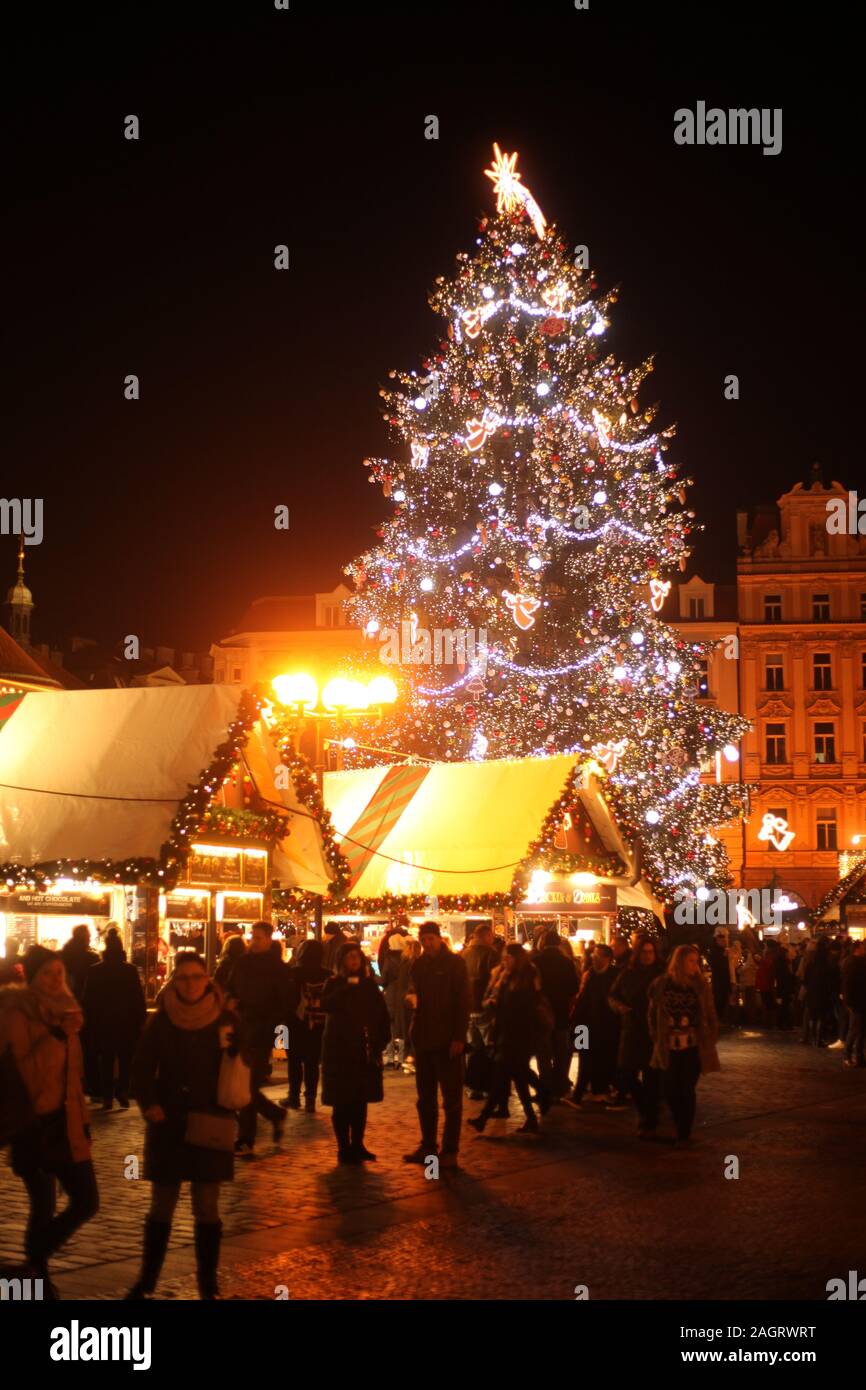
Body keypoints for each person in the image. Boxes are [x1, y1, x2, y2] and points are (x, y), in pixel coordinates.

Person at [128, 953, 238, 1299]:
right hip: (169, 1122)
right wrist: (150, 1106)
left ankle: (209, 1285)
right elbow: (141, 1068)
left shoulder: (225, 1019)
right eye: (183, 978)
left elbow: (241, 1065)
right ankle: (146, 1282)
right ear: (174, 982)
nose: (191, 984)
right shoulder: (161, 1021)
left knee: (207, 1205)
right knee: (162, 1205)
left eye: (196, 977)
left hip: (210, 1118)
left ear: (208, 979)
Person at [1, 946, 99, 1296]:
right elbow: (25, 1067)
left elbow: (74, 1076)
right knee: (46, 1202)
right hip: (34, 1124)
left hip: (67, 1121)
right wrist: (56, 1034)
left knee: (84, 1200)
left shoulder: (70, 1010)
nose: (56, 979)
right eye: (48, 973)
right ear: (31, 975)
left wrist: (84, 1118)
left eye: (59, 972)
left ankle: (32, 1265)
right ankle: (36, 1277)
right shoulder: (17, 1010)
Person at [402, 921, 471, 1169]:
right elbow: (412, 990)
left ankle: (450, 1150)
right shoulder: (419, 965)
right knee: (425, 1098)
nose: (427, 943)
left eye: (431, 939)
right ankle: (428, 1146)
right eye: (424, 939)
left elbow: (463, 1002)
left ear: (439, 939)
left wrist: (459, 1037)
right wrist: (411, 1001)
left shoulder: (455, 964)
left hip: (447, 1040)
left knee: (451, 1099)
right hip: (424, 1038)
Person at [319, 942, 391, 1163]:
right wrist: (345, 988)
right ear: (342, 961)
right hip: (338, 1050)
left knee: (360, 1100)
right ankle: (344, 1147)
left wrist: (379, 1040)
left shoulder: (368, 985)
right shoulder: (333, 983)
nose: (354, 962)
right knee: (342, 1101)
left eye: (356, 958)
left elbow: (380, 1013)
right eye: (349, 958)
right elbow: (326, 1005)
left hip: (363, 1048)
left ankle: (358, 1144)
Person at [468, 944, 550, 1135]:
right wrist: (492, 1002)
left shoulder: (528, 976)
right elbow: (496, 1000)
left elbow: (529, 1005)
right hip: (506, 1032)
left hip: (521, 1033)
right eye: (503, 958)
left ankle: (484, 1117)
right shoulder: (505, 976)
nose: (504, 961)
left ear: (517, 958)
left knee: (502, 1075)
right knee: (518, 1076)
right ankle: (533, 1113)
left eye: (508, 958)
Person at [223, 920, 289, 1154]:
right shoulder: (242, 963)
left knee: (248, 1085)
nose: (254, 940)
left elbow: (284, 1003)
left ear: (269, 939)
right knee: (244, 1084)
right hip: (242, 1029)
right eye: (253, 936)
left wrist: (278, 1037)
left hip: (262, 1031)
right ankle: (274, 1114)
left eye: (259, 937)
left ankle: (247, 1139)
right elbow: (230, 987)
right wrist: (231, 1003)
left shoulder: (278, 967)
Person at [648, 944, 720, 1149]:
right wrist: (655, 1035)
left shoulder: (700, 985)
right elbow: (652, 1013)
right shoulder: (662, 984)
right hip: (668, 1046)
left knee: (686, 1089)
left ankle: (683, 1132)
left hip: (692, 1046)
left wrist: (711, 1035)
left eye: (696, 961)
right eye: (691, 961)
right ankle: (680, 1125)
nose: (695, 965)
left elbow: (709, 1012)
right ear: (679, 962)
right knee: (670, 1089)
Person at [81, 928, 146, 1110]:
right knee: (126, 1060)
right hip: (126, 1024)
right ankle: (123, 1092)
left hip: (103, 1024)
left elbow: (88, 1000)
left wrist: (90, 1022)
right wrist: (140, 1021)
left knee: (107, 1060)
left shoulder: (95, 971)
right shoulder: (130, 970)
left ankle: (107, 1095)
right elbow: (137, 998)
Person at [608, 934, 664, 1137]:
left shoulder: (661, 974)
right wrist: (619, 1007)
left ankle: (649, 1120)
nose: (648, 956)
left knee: (652, 1079)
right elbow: (613, 995)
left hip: (653, 1032)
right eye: (644, 952)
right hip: (632, 1029)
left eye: (651, 952)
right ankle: (646, 1112)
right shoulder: (628, 973)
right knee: (627, 1074)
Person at [282, 938, 330, 1111]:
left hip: (293, 1023)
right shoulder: (327, 975)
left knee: (293, 1061)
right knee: (312, 1062)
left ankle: (293, 1096)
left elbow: (286, 1000)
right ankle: (310, 1098)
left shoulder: (293, 973)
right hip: (317, 1025)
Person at [532, 930, 579, 1101]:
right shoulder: (566, 963)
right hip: (561, 1013)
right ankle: (559, 1086)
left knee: (543, 1054)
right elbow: (574, 988)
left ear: (542, 943)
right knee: (562, 1053)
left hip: (542, 1014)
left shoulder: (536, 961)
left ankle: (545, 1087)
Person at [570, 943, 619, 1106]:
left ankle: (598, 1090)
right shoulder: (589, 974)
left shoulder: (614, 976)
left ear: (607, 958)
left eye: (598, 956)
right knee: (584, 1058)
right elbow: (581, 998)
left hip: (604, 1026)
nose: (594, 958)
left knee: (601, 1059)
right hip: (583, 1025)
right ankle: (579, 1093)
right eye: (593, 955)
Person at [463, 921, 499, 1099]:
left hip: (468, 1007)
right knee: (489, 1047)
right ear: (486, 936)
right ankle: (488, 1084)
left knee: (473, 1048)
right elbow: (495, 982)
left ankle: (472, 1085)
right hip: (485, 1008)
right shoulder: (491, 954)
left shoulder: (464, 955)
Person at [379, 927, 409, 1067]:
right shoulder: (407, 958)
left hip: (391, 993)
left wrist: (373, 976)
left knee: (390, 1025)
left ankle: (390, 1057)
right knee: (403, 1026)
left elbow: (384, 979)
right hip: (403, 993)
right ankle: (402, 1058)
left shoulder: (388, 958)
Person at [803, 937, 837, 1047]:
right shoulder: (828, 964)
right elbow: (831, 980)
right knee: (822, 1018)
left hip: (812, 993)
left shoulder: (811, 963)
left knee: (813, 1017)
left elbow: (805, 980)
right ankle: (820, 1039)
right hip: (823, 994)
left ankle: (813, 1038)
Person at [396, 936, 421, 1075]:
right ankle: (411, 1059)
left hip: (402, 1000)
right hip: (412, 1000)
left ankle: (407, 1059)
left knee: (406, 1031)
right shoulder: (416, 963)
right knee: (414, 1031)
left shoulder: (403, 963)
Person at [842, 940, 866, 1068]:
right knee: (854, 1030)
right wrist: (849, 1003)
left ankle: (860, 1056)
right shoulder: (851, 963)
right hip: (855, 1002)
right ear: (857, 949)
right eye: (862, 947)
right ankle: (847, 1055)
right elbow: (847, 985)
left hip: (862, 1001)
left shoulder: (861, 961)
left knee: (861, 1031)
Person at [708, 931, 731, 1027]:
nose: (723, 942)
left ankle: (722, 1019)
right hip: (718, 980)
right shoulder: (714, 951)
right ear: (717, 941)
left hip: (725, 979)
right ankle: (717, 1020)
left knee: (724, 999)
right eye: (721, 940)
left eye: (724, 940)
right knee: (718, 999)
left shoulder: (724, 950)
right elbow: (715, 964)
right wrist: (724, 956)